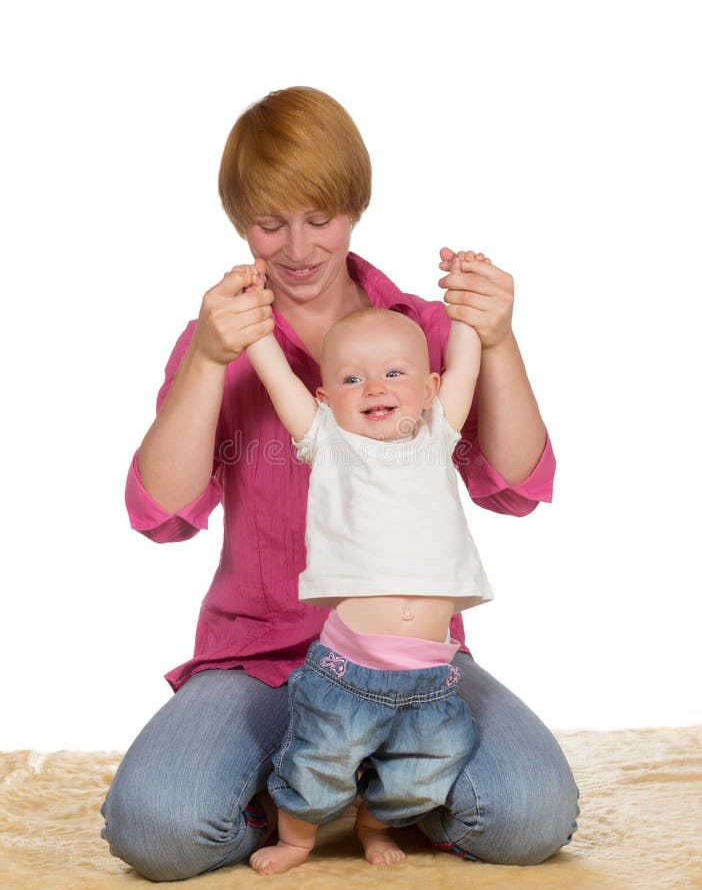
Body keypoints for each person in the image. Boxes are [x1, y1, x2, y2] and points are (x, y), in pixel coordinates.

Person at [100, 86, 579, 882]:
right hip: (259, 656)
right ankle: (316, 781)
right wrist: (209, 361)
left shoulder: (420, 331)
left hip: (412, 660)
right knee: (159, 828)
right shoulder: (223, 340)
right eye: (269, 223)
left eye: (318, 218)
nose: (297, 248)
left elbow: (517, 488)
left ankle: (364, 783)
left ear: (354, 207)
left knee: (528, 814)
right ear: (240, 221)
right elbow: (162, 515)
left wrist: (497, 340)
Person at [243, 297, 490, 873]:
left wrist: (467, 308)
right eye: (352, 379)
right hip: (348, 671)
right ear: (325, 399)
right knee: (319, 760)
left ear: (429, 390)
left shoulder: (436, 433)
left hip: (431, 673)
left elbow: (466, 367)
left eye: (394, 373)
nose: (374, 387)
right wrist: (254, 330)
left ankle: (373, 823)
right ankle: (298, 840)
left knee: (427, 766)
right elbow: (278, 378)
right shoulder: (330, 442)